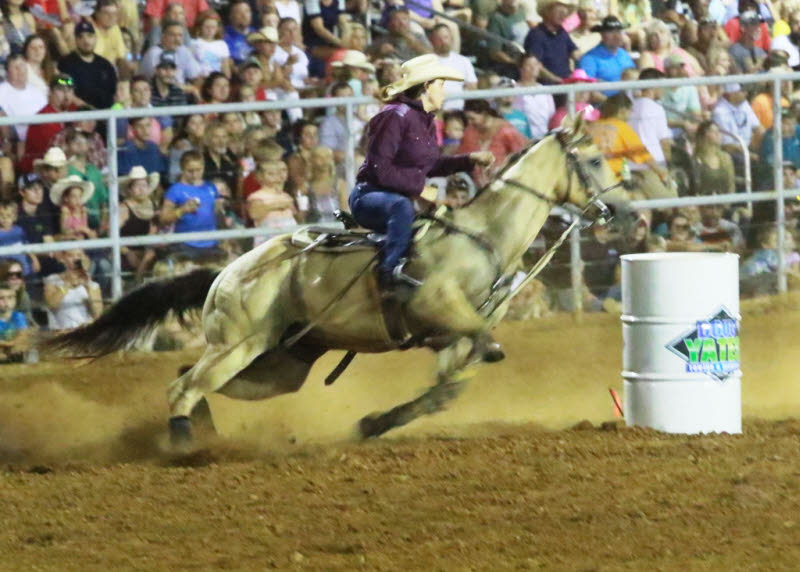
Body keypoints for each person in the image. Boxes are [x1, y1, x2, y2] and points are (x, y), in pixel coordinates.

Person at [349, 54, 494, 298]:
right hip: (370, 197)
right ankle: (388, 274)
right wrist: (419, 187)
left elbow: (430, 165)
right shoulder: (395, 116)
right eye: (441, 85)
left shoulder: (422, 120)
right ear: (427, 86)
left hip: (396, 199)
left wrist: (468, 160)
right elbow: (379, 169)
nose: (445, 92)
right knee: (401, 206)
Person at [160, 149, 225, 261]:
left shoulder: (211, 188)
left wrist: (220, 210)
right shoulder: (175, 190)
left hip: (211, 242)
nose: (194, 174)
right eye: (190, 171)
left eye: (198, 170)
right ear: (182, 168)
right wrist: (182, 210)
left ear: (203, 167)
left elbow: (219, 218)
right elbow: (163, 218)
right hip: (185, 244)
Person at [458, 98, 528, 187]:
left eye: (472, 118)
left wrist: (504, 164)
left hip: (504, 182)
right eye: (467, 119)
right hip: (476, 185)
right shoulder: (470, 131)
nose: (469, 122)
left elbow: (522, 153)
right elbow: (462, 156)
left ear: (484, 114)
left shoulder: (506, 130)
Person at [58, 19, 118, 110]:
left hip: (107, 116)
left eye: (89, 36)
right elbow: (66, 93)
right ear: (76, 40)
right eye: (81, 37)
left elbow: (114, 93)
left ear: (95, 38)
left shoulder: (105, 65)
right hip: (80, 116)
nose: (86, 41)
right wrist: (91, 112)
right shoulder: (66, 64)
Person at [43, 248, 103, 331]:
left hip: (85, 331)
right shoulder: (52, 280)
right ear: (63, 259)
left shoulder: (92, 285)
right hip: (61, 332)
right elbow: (52, 305)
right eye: (71, 255)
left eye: (79, 255)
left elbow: (97, 313)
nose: (75, 258)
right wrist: (67, 285)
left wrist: (88, 284)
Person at [524, 0, 580, 85]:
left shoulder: (562, 32)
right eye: (559, 12)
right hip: (547, 86)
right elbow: (535, 65)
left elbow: (575, 53)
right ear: (547, 12)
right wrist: (558, 80)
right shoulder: (536, 34)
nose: (563, 16)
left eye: (565, 13)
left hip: (566, 83)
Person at [118, 166, 160, 278]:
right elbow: (110, 234)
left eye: (144, 185)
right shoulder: (124, 208)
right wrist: (127, 252)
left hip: (148, 249)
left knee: (151, 255)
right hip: (127, 251)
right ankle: (138, 281)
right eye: (137, 186)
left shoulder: (153, 205)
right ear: (130, 189)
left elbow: (154, 231)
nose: (141, 189)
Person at [578, 15, 635, 96]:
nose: (616, 36)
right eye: (610, 31)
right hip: (605, 106)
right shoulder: (589, 59)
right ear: (602, 35)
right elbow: (587, 92)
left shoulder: (624, 54)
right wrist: (612, 104)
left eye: (619, 31)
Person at [50, 175, 96, 240]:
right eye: (74, 197)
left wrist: (89, 232)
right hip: (69, 241)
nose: (77, 200)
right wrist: (80, 229)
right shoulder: (65, 210)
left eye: (79, 196)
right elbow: (64, 231)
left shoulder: (83, 210)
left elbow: (85, 227)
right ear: (66, 198)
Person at [0, 279, 30, 362]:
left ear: (15, 299)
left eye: (10, 297)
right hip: (5, 346)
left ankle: (9, 357)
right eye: (1, 298)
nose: (6, 302)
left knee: (21, 347)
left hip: (10, 346)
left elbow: (23, 335)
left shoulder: (18, 316)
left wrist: (11, 344)